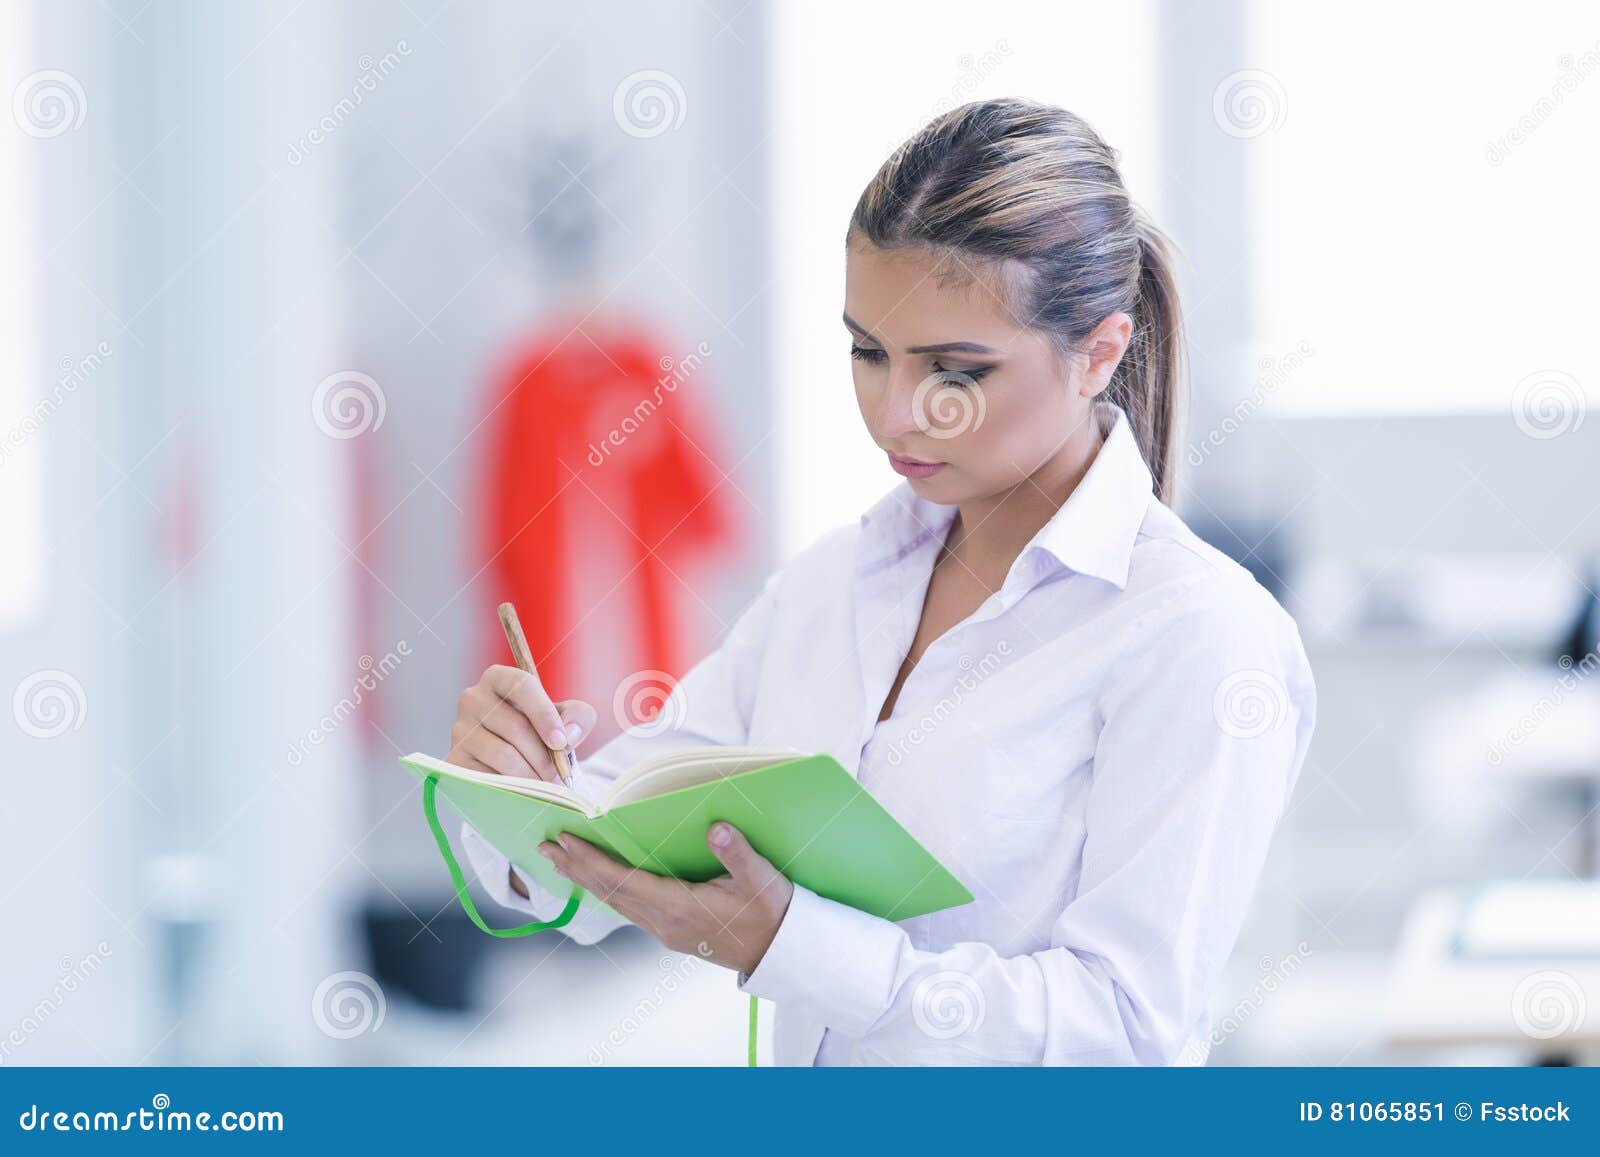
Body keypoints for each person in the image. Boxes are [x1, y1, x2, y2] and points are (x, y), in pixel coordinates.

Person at [447, 97, 1315, 1065]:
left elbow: (1124, 1031)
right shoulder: (833, 585)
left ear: (1098, 353)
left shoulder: (1195, 632)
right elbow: (608, 835)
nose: (896, 414)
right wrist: (517, 791)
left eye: (955, 368)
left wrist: (791, 945)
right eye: (867, 351)